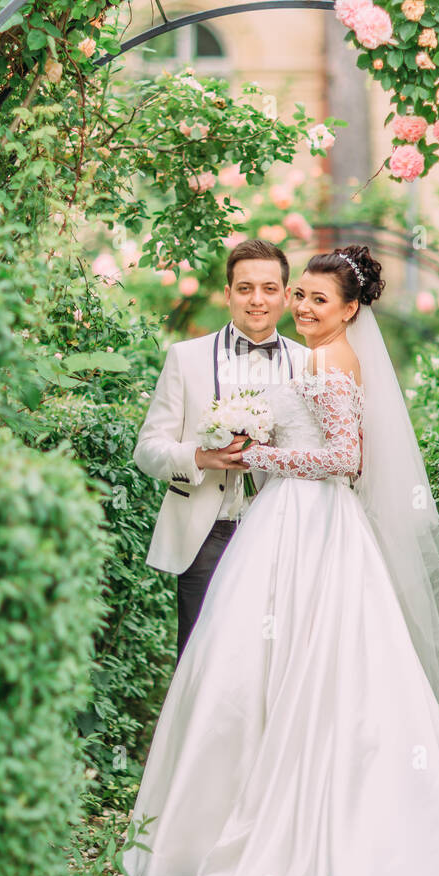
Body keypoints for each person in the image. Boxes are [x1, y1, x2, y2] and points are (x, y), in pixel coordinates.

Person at [124, 245, 439, 876]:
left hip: (304, 528)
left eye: (309, 298)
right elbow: (157, 446)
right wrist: (215, 453)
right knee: (241, 681)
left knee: (304, 674)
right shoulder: (197, 358)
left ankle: (298, 837)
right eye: (294, 297)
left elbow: (345, 459)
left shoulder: (318, 359)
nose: (294, 306)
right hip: (259, 529)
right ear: (231, 292)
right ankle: (235, 825)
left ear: (349, 308)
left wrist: (259, 452)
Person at [134, 238, 308, 660]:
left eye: (269, 288)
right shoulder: (185, 358)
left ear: (285, 296)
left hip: (284, 533)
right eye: (245, 288)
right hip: (206, 534)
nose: (257, 300)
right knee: (199, 659)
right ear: (228, 294)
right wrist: (198, 456)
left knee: (273, 659)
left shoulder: (310, 365)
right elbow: (147, 450)